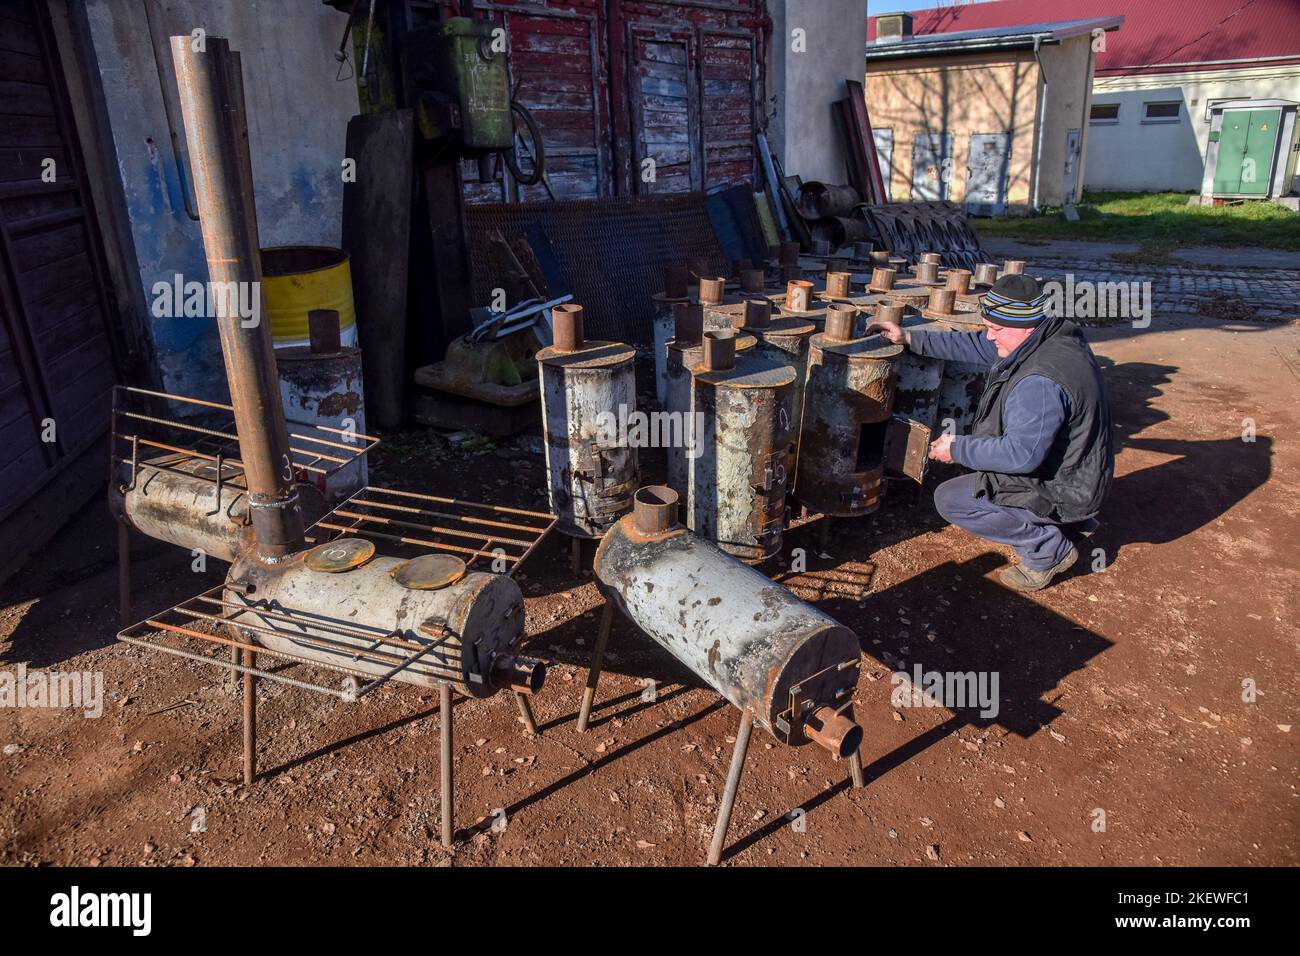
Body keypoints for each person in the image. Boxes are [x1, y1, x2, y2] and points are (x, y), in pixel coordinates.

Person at [869, 274, 1114, 591]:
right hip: (1078, 472)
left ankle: (1048, 549)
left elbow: (1021, 456)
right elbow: (975, 345)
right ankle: (1066, 523)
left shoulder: (1039, 382)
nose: (989, 336)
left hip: (1068, 488)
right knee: (986, 459)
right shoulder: (1049, 338)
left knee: (951, 499)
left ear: (1025, 326)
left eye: (996, 329)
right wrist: (909, 338)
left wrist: (957, 449)